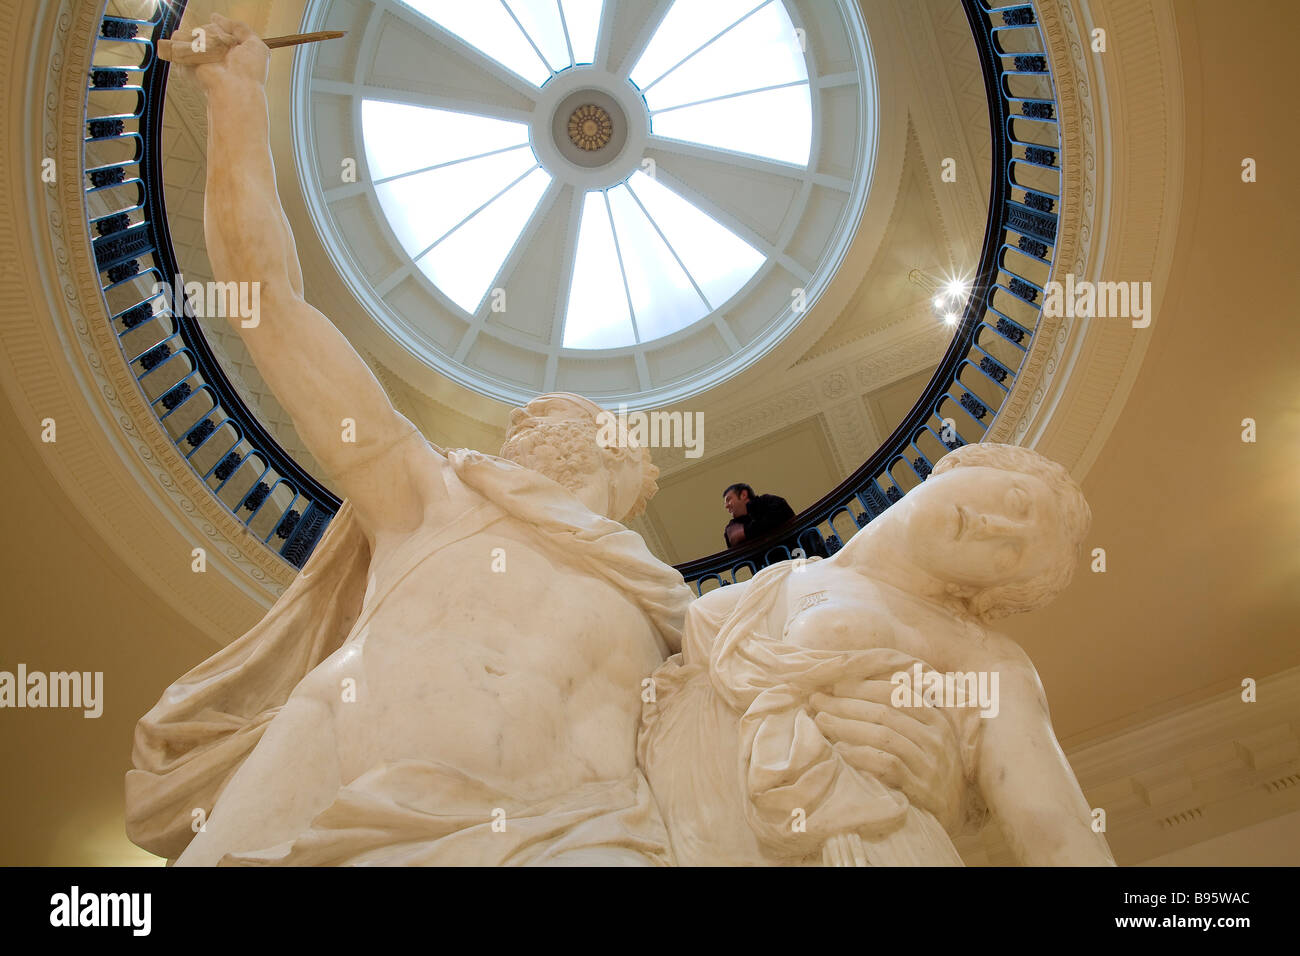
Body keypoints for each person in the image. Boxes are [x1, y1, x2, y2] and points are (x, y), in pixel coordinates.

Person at [125, 17, 966, 867]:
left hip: (582, 835)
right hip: (333, 790)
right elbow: (268, 303)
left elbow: (793, 707)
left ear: (618, 455)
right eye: (527, 421)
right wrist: (234, 100)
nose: (524, 427)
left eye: (551, 418)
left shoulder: (677, 611)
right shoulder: (431, 493)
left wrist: (895, 758)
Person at [641, 443, 1116, 866]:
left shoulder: (984, 656)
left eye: (1008, 556)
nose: (993, 526)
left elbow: (1058, 835)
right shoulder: (787, 576)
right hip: (676, 827)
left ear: (976, 588)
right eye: (1016, 502)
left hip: (855, 845)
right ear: (960, 463)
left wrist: (956, 798)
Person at [722, 483, 795, 547]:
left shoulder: (767, 501)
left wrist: (746, 532)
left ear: (743, 495)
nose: (726, 506)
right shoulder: (732, 526)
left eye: (729, 500)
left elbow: (779, 517)